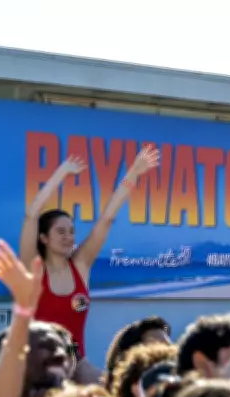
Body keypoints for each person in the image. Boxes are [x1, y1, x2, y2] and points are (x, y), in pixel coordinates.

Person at [18, 147, 159, 383]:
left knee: (111, 390)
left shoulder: (80, 266)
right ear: (43, 238)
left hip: (75, 360)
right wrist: (62, 173)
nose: (68, 237)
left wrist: (134, 172)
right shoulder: (33, 268)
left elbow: (106, 219)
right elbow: (32, 215)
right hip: (37, 365)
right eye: (60, 231)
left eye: (72, 231)